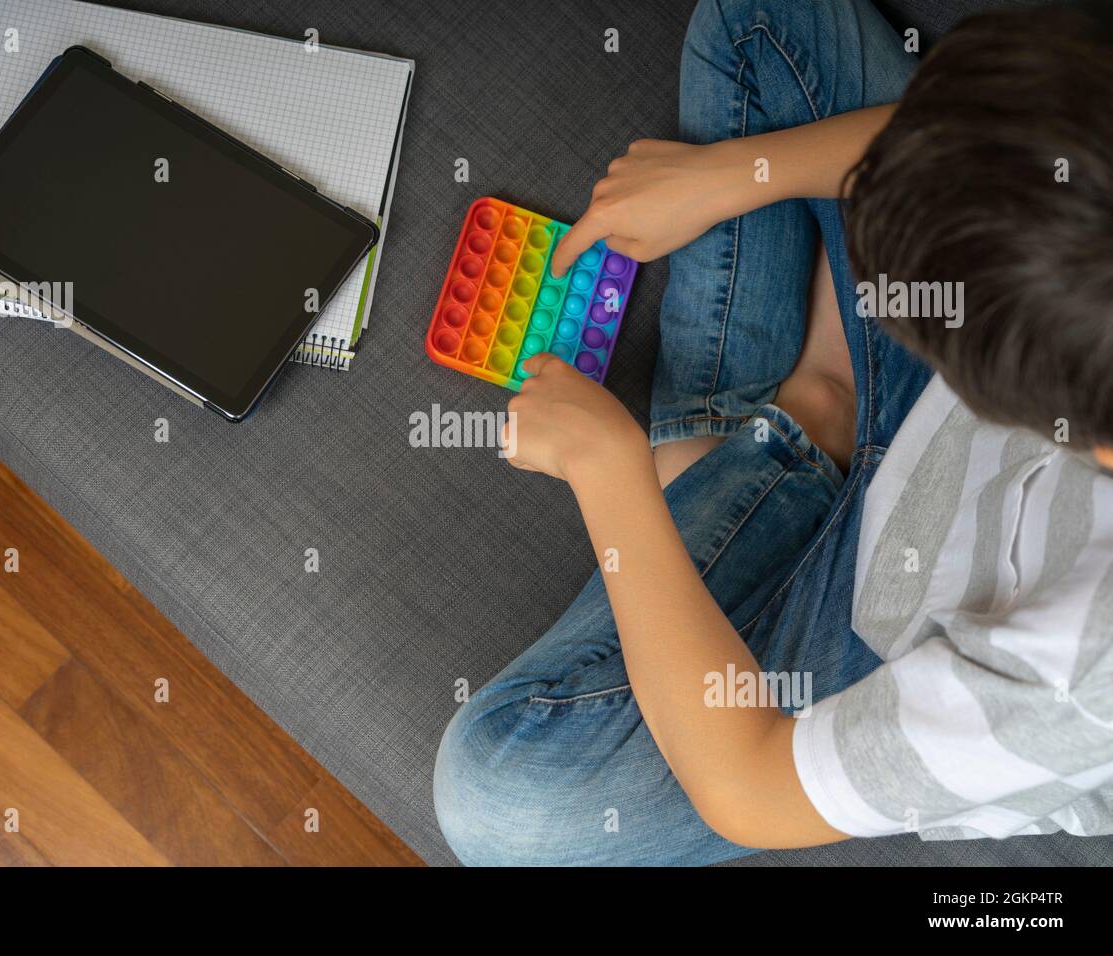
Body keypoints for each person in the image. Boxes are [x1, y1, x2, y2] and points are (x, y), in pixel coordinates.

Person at [433, 0, 1113, 865]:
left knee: (503, 804)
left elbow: (752, 793)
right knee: (760, 19)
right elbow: (1012, 142)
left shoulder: (1076, 677)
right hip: (980, 381)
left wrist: (607, 473)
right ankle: (811, 407)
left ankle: (807, 420)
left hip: (906, 625)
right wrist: (730, 174)